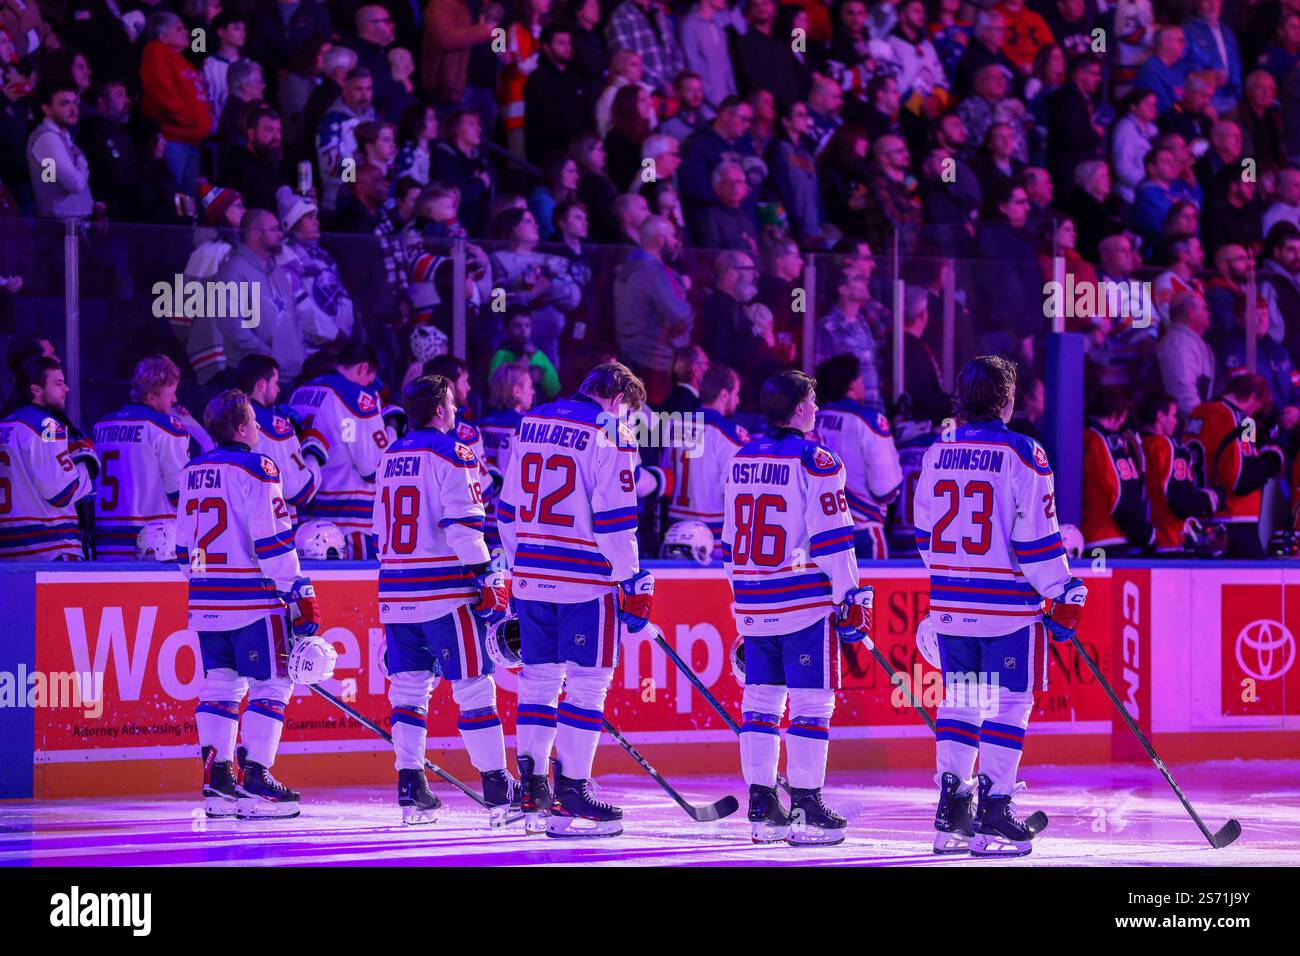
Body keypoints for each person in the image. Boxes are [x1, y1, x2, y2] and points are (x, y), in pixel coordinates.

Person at [913, 355, 1084, 856]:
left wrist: (952, 578)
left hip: (951, 602)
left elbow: (924, 533)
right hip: (1007, 607)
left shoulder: (937, 451)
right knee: (1010, 702)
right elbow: (1036, 540)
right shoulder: (1024, 452)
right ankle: (994, 809)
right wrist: (1063, 590)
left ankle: (952, 808)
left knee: (961, 700)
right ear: (1007, 400)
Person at [496, 361, 654, 837]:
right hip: (585, 580)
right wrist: (632, 580)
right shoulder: (613, 431)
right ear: (619, 399)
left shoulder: (534, 420)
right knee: (588, 685)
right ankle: (572, 791)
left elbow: (505, 510)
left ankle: (533, 791)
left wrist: (519, 567)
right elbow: (614, 522)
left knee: (538, 683)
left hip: (530, 573)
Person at [723, 369, 871, 846]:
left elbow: (729, 541)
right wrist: (850, 593)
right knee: (811, 704)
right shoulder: (817, 459)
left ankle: (762, 805)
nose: (817, 408)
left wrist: (742, 596)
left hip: (753, 597)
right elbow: (832, 540)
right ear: (799, 408)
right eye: (812, 401)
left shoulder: (742, 455)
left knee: (761, 701)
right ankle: (806, 804)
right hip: (802, 601)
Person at [372, 373, 514, 825]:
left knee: (409, 689)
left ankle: (410, 785)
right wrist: (486, 574)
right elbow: (463, 528)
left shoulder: (390, 454)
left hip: (395, 590)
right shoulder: (454, 452)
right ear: (439, 408)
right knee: (473, 684)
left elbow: (379, 530)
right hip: (445, 592)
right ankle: (498, 788)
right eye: (451, 403)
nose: (456, 410)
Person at [180, 388, 322, 819]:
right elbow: (272, 537)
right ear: (242, 428)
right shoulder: (258, 466)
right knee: (274, 683)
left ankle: (217, 781)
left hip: (205, 594)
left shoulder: (192, 469)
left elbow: (184, 541)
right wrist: (297, 587)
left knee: (220, 684)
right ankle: (255, 778)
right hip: (251, 597)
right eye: (255, 421)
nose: (260, 427)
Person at [288, 343, 391, 559]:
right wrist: (391, 429)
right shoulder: (354, 395)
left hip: (312, 517)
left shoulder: (300, 392)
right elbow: (373, 468)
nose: (370, 386)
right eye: (370, 379)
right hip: (353, 524)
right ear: (363, 368)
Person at [91, 356, 194, 559]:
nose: (174, 400)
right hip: (153, 547)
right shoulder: (166, 428)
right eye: (171, 393)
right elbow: (180, 494)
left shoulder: (101, 425)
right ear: (151, 395)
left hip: (105, 544)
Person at [0, 357, 97, 561]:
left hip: (10, 549)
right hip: (51, 549)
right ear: (36, 390)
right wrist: (87, 464)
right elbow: (61, 492)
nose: (67, 389)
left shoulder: (5, 425)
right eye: (58, 383)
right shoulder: (47, 426)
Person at [1185, 372, 1285, 558]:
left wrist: (1258, 449)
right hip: (1235, 522)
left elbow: (1243, 454)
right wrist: (1272, 458)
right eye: (1258, 407)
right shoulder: (1241, 419)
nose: (1255, 413)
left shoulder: (1198, 412)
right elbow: (1243, 478)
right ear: (1253, 396)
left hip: (1204, 519)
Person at [814, 353, 902, 559]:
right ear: (852, 384)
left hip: (821, 533)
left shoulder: (811, 420)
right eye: (861, 378)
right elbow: (886, 490)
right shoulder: (869, 421)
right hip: (863, 531)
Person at [659, 362, 745, 542]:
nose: (738, 401)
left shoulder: (674, 425)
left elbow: (663, 476)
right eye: (736, 394)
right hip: (711, 533)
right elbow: (734, 490)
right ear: (724, 394)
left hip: (674, 529)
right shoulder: (728, 433)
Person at [237, 354, 323, 523]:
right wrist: (313, 453)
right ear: (261, 385)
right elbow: (298, 492)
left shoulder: (224, 418)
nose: (278, 389)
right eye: (275, 383)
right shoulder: (275, 424)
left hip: (237, 528)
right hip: (273, 532)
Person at [1137, 391, 1219, 555]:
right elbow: (1180, 502)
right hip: (1170, 539)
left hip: (1142, 538)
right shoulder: (1166, 446)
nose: (1176, 421)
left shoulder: (1135, 443)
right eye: (1173, 415)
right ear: (1160, 416)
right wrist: (1209, 499)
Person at [140, 11, 212, 195]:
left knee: (188, 200)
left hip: (190, 140)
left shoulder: (180, 59)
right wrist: (187, 119)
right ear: (163, 36)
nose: (186, 32)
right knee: (174, 196)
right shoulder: (155, 53)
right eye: (179, 29)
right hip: (174, 140)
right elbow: (160, 92)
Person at [1081, 387, 1154, 556]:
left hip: (1087, 535)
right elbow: (1120, 494)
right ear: (1116, 414)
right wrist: (1145, 533)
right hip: (1108, 536)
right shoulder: (1105, 441)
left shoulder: (1081, 436)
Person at [478, 361, 534, 551]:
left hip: (483, 517)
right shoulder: (527, 426)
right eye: (530, 386)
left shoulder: (478, 426)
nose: (533, 392)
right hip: (511, 518)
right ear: (516, 391)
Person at [26, 79, 94, 218]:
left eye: (75, 102)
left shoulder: (60, 137)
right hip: (61, 228)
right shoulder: (47, 139)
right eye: (65, 104)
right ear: (46, 109)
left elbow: (49, 179)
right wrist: (81, 159)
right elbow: (76, 184)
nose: (74, 109)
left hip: (66, 225)